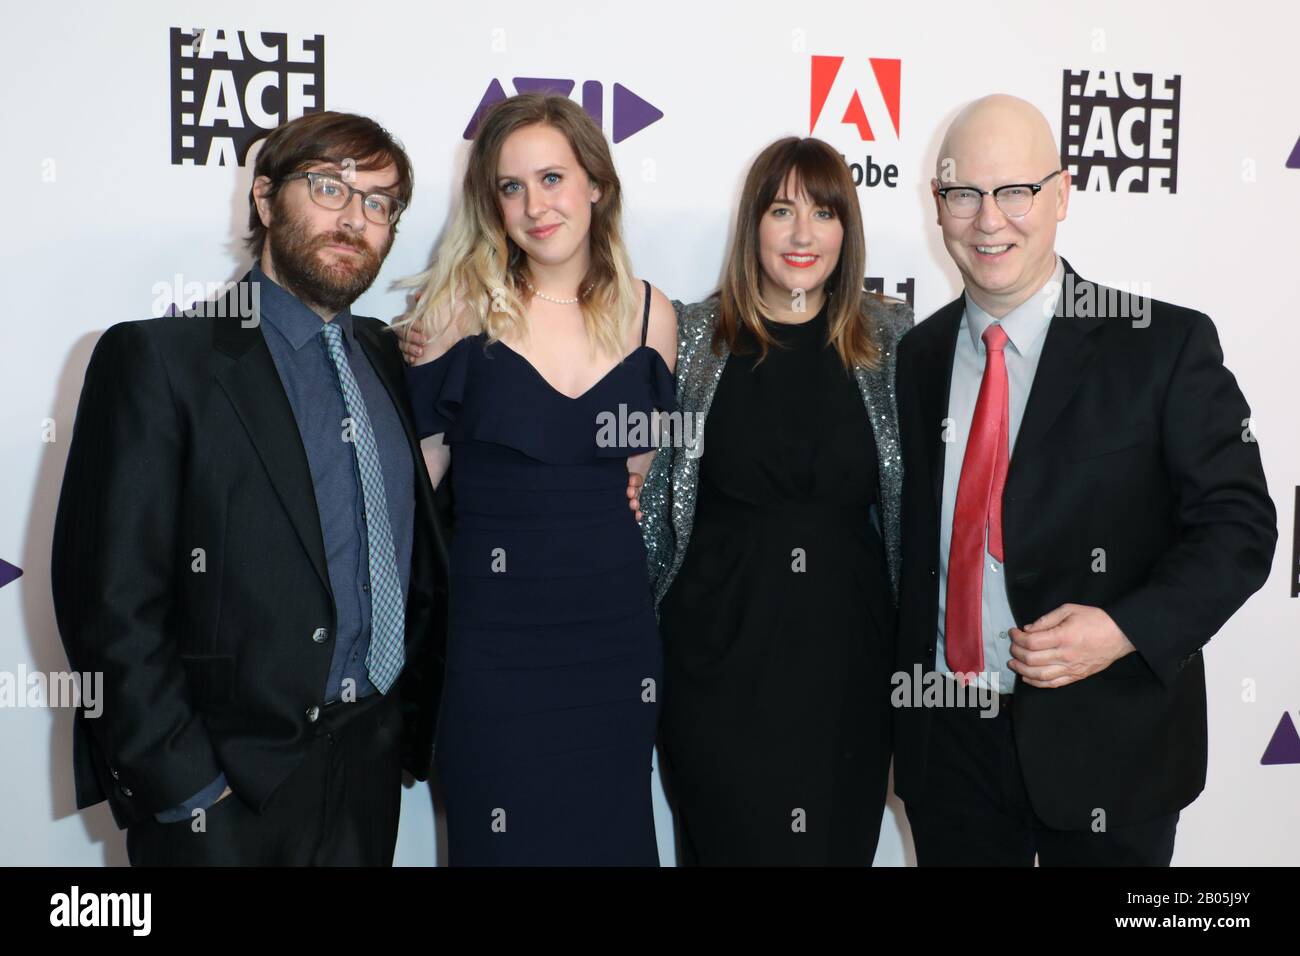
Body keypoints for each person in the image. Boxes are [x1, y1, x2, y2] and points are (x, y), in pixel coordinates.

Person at [51, 110, 449, 866]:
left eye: (379, 202)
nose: (353, 218)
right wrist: (186, 788)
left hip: (367, 775)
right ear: (265, 198)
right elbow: (109, 601)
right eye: (329, 187)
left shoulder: (385, 356)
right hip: (222, 795)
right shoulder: (159, 359)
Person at [892, 94, 1277, 865]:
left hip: (1114, 748)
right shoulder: (915, 357)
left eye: (1016, 191)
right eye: (964, 193)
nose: (989, 220)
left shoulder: (1163, 345)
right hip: (949, 753)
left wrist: (1122, 629)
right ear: (937, 205)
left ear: (1062, 194)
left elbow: (1240, 528)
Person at [396, 93, 677, 865]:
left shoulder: (651, 315)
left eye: (552, 178)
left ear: (597, 184)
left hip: (614, 642)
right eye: (511, 187)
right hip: (495, 644)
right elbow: (415, 493)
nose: (534, 206)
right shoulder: (456, 308)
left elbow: (637, 476)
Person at [636, 137, 912, 865]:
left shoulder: (888, 341)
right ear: (752, 223)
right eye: (782, 210)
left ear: (846, 230)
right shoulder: (692, 337)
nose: (802, 234)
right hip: (714, 670)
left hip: (849, 673)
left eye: (824, 212)